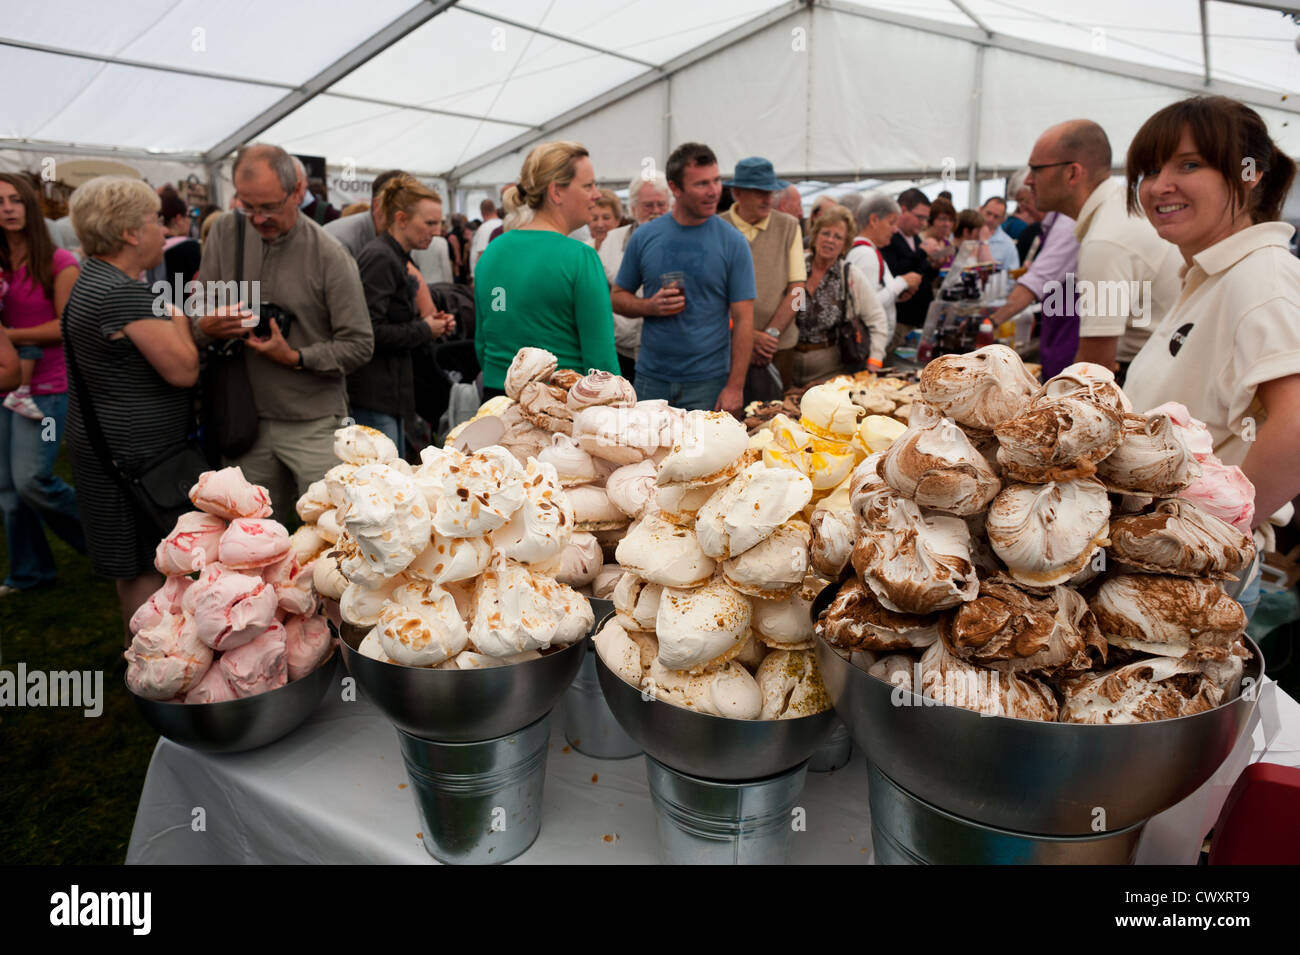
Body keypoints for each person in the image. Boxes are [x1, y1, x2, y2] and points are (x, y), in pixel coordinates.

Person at [1122, 96, 1300, 533]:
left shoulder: (1262, 274)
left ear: (1250, 174)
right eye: (1150, 170)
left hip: (1199, 574)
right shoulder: (1211, 274)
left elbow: (1296, 425)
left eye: (1189, 165)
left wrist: (1213, 541)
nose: (1160, 186)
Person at [193, 144, 374, 519]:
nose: (257, 218)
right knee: (247, 537)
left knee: (327, 535)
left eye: (269, 207)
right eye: (247, 205)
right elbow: (198, 310)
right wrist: (207, 325)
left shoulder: (329, 254)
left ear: (297, 191)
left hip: (313, 422)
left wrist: (295, 357)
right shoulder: (226, 231)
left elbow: (359, 344)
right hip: (242, 418)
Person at [63, 177, 198, 631]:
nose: (163, 229)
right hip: (135, 460)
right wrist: (179, 315)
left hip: (107, 449)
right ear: (129, 233)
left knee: (132, 564)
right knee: (146, 565)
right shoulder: (123, 293)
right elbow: (183, 369)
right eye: (154, 220)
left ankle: (142, 661)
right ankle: (155, 668)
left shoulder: (91, 279)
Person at [1024, 120, 1181, 378]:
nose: (1028, 180)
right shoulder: (1116, 214)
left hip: (1139, 375)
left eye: (1035, 169)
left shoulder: (1105, 239)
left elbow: (1094, 367)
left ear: (1072, 173)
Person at [612, 142, 755, 414]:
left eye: (716, 180)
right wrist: (649, 306)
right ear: (675, 189)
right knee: (646, 455)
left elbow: (745, 318)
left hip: (708, 382)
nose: (714, 191)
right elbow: (617, 298)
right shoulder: (645, 236)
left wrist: (735, 387)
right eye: (702, 184)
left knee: (699, 455)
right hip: (651, 378)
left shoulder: (733, 242)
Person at [474, 141, 619, 398]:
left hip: (497, 402)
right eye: (588, 185)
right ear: (556, 192)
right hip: (560, 409)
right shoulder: (581, 258)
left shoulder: (492, 252)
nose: (596, 194)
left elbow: (483, 342)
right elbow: (602, 363)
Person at [0, 172, 86, 598]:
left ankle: (107, 543)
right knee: (8, 492)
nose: (9, 207)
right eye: (0, 201)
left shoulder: (59, 262)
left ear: (30, 207)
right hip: (3, 384)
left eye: (16, 199)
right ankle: (30, 573)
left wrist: (8, 335)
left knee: (33, 479)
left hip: (46, 387)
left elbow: (64, 327)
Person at [351, 175, 456, 455]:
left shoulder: (395, 255)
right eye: (429, 223)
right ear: (401, 218)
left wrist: (431, 326)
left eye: (439, 223)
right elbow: (368, 331)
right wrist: (425, 329)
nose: (436, 231)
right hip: (375, 395)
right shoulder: (381, 257)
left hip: (390, 394)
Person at [720, 157, 805, 394]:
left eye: (771, 191)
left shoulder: (789, 226)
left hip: (779, 346)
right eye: (759, 192)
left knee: (777, 421)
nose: (768, 198)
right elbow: (709, 296)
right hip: (726, 344)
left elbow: (799, 291)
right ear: (737, 193)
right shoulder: (717, 227)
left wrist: (771, 334)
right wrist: (747, 335)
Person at [793, 205, 890, 385]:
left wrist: (874, 362)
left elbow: (877, 319)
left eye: (838, 237)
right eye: (826, 233)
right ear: (815, 236)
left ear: (845, 244)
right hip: (788, 366)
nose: (830, 240)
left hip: (830, 371)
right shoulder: (798, 267)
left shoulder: (850, 275)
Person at [984, 209, 1081, 380]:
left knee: (1061, 388)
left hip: (1069, 332)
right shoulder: (1052, 224)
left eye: (1033, 185)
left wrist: (990, 321)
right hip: (1056, 324)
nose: (1030, 180)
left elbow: (1037, 279)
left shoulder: (1068, 223)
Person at [599, 171, 672, 381]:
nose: (656, 211)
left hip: (664, 353)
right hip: (621, 351)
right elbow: (602, 293)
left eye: (661, 204)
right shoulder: (612, 240)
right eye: (648, 205)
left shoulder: (682, 241)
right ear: (632, 208)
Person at [848, 192, 922, 345]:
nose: (895, 230)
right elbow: (866, 305)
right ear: (874, 220)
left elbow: (871, 295)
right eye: (891, 223)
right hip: (868, 347)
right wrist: (901, 282)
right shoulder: (865, 254)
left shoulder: (868, 251)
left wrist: (896, 295)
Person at [323, 168, 405, 259]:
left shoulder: (388, 239)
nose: (408, 217)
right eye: (404, 208)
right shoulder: (343, 242)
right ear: (378, 205)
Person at [884, 188, 934, 333]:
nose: (923, 223)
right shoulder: (889, 238)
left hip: (918, 320)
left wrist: (935, 266)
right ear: (903, 210)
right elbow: (895, 271)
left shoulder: (914, 237)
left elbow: (921, 274)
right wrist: (922, 253)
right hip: (901, 321)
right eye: (919, 217)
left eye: (926, 218)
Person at [979, 197, 1021, 272]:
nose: (990, 219)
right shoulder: (967, 233)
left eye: (996, 217)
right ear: (981, 210)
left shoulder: (1008, 245)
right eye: (988, 213)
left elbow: (1011, 279)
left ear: (1003, 220)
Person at [919, 197, 957, 267]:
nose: (947, 224)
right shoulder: (919, 240)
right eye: (943, 219)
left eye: (951, 220)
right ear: (931, 220)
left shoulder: (947, 242)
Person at [468, 197, 500, 278]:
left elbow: (481, 254)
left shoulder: (484, 228)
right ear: (495, 210)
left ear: (482, 213)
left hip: (486, 275)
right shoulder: (504, 224)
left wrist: (477, 277)